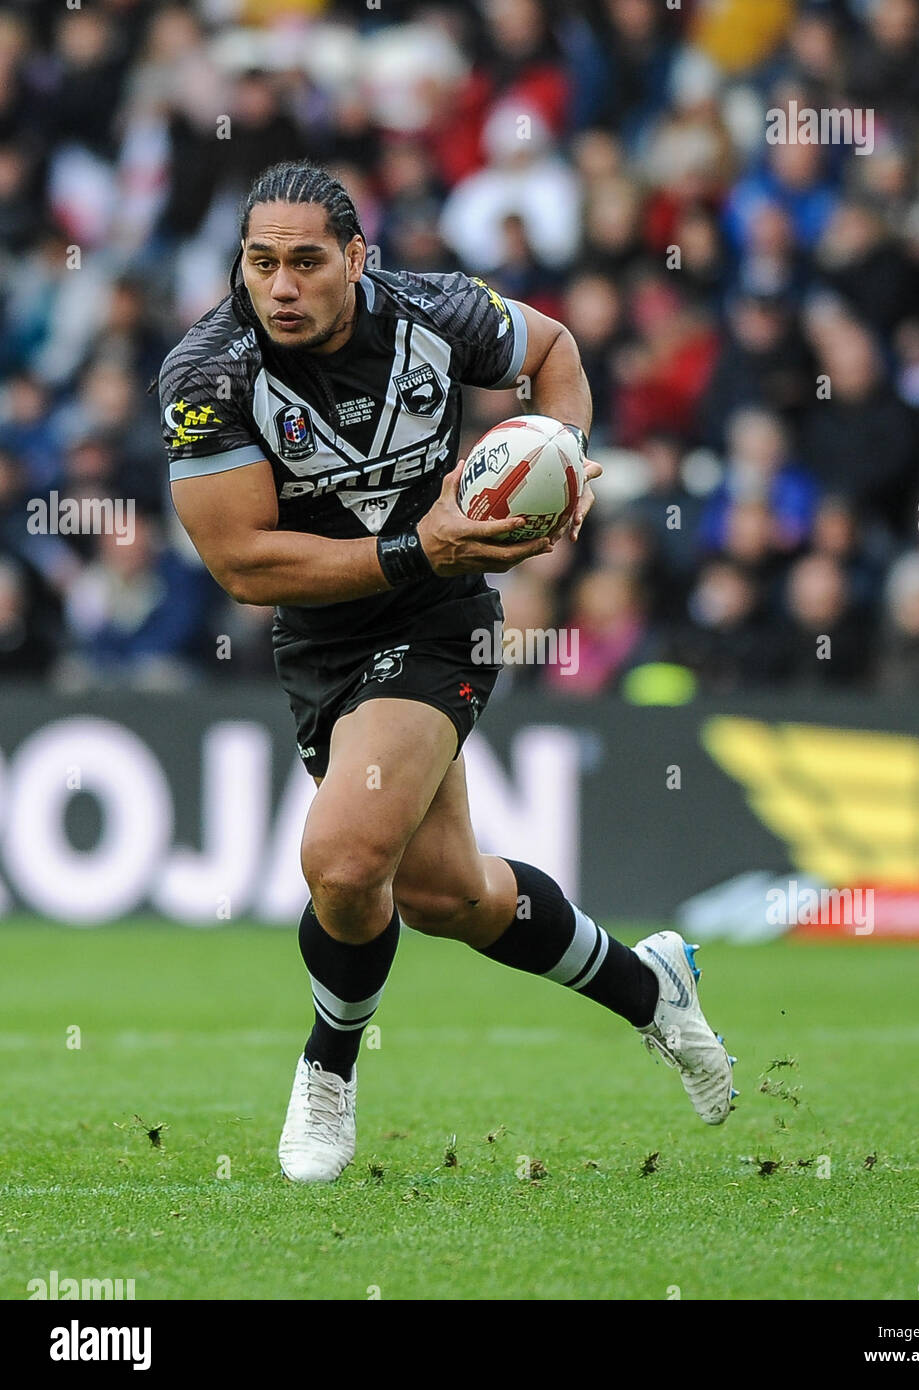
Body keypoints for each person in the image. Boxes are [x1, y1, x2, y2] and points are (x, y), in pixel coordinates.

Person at [157, 161, 735, 1183]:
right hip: (325, 629)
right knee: (441, 893)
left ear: (355, 260)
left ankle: (327, 1067)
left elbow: (551, 347)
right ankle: (652, 992)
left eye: (304, 262)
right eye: (260, 264)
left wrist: (567, 460)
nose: (281, 286)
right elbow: (243, 563)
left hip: (441, 618)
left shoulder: (434, 311)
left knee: (343, 861)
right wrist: (414, 547)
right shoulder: (208, 374)